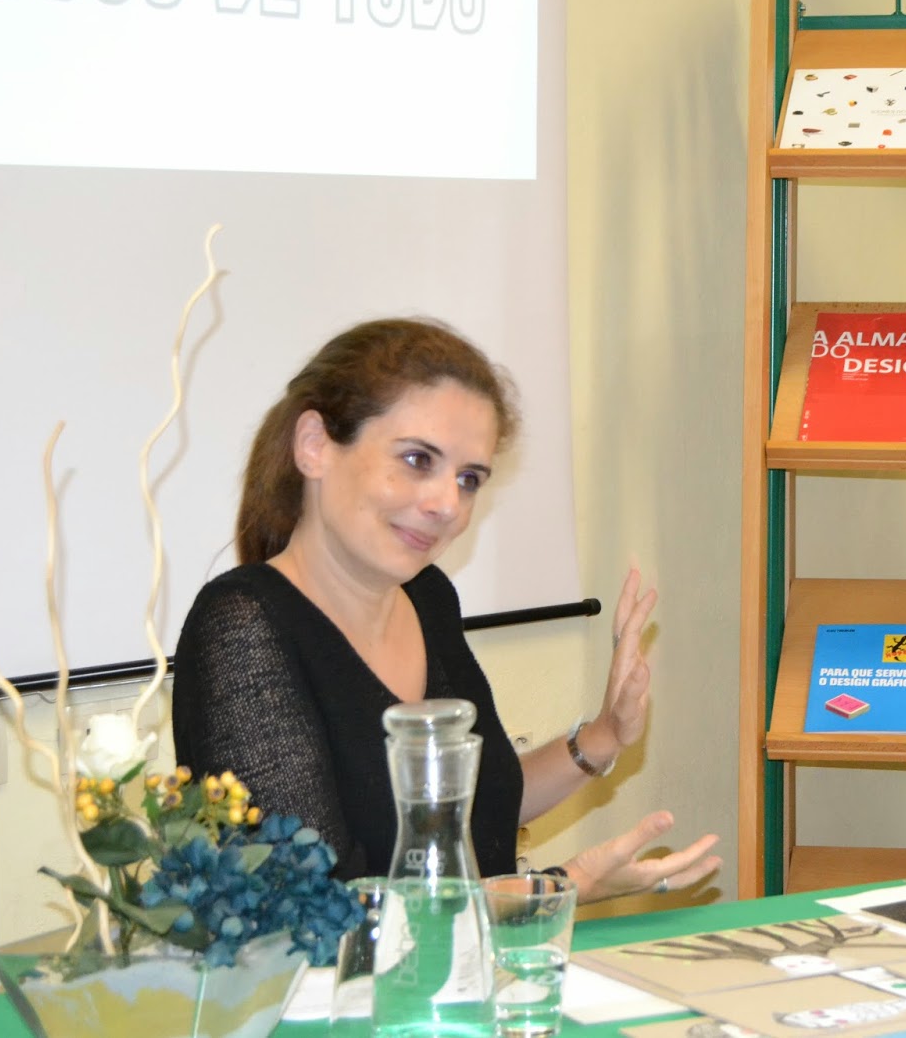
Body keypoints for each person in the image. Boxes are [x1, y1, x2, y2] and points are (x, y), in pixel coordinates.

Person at [171, 318, 722, 902]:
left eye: (468, 478)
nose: (446, 504)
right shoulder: (242, 628)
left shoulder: (428, 597)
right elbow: (312, 911)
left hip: (461, 980)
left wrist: (605, 735)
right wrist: (559, 888)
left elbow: (476, 813)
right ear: (314, 446)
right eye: (417, 460)